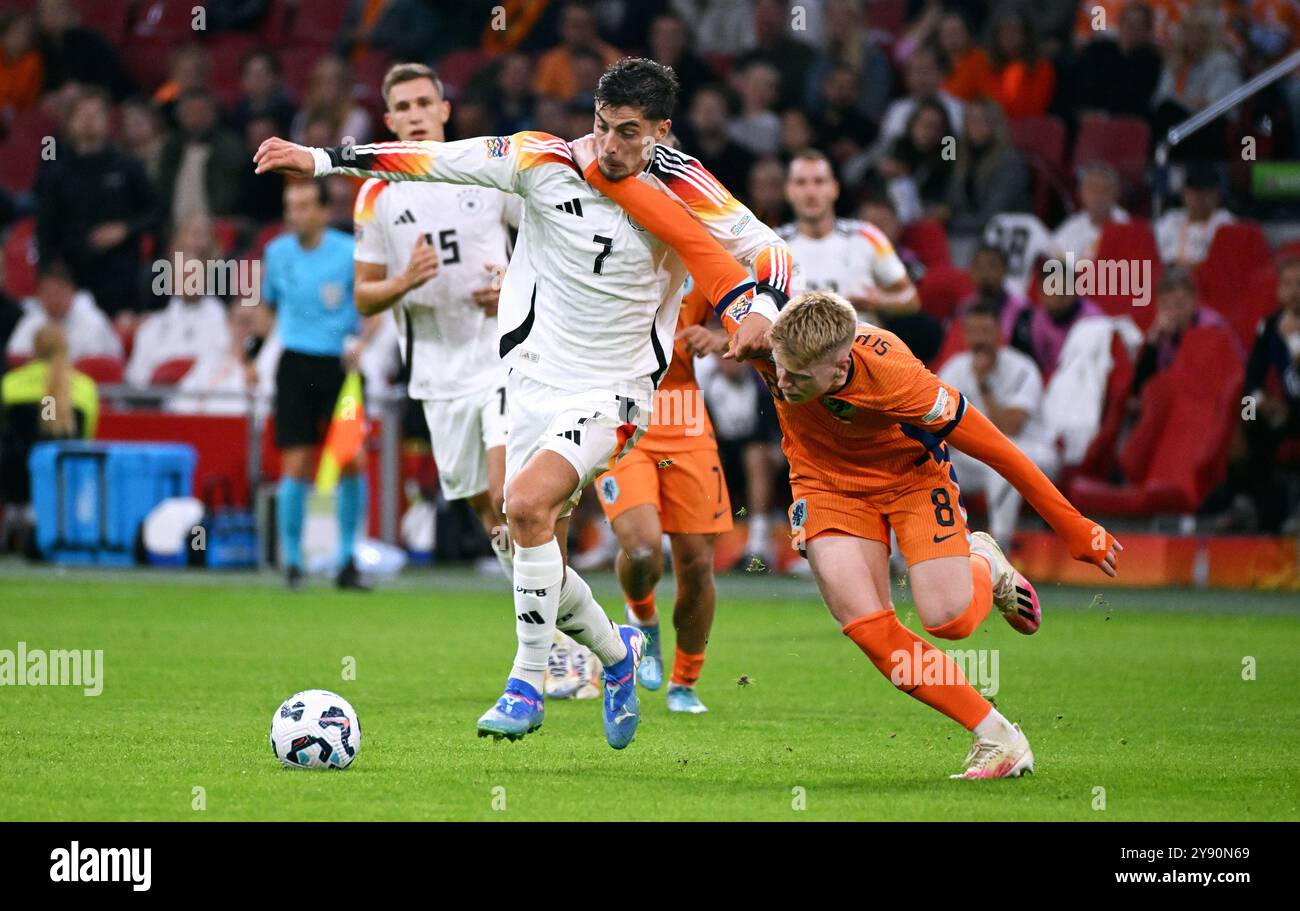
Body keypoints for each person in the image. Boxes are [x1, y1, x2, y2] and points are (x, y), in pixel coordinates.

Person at [254, 57, 795, 749]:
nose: (610, 146)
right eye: (601, 127)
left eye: (628, 133)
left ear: (662, 131)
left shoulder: (685, 183)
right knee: (522, 532)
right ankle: (616, 655)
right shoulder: (544, 159)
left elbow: (768, 249)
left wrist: (767, 307)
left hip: (616, 388)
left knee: (526, 506)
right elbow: (434, 159)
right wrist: (324, 158)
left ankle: (526, 681)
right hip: (530, 377)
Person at [580, 151, 1121, 779]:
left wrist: (1072, 524)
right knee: (868, 626)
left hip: (912, 480)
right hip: (825, 485)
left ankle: (984, 561)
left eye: (797, 379)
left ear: (840, 369)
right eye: (778, 370)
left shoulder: (898, 378)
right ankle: (998, 736)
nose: (780, 383)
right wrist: (605, 174)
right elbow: (696, 244)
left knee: (948, 620)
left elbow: (998, 448)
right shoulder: (766, 340)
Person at [351, 63, 517, 585]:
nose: (416, 114)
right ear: (389, 121)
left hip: (504, 360)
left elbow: (547, 238)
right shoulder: (376, 194)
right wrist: (403, 282)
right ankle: (563, 621)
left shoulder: (485, 172)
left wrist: (514, 286)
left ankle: (555, 642)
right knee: (490, 518)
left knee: (508, 498)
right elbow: (364, 296)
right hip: (437, 377)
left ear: (444, 110)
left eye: (425, 103)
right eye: (403, 107)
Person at [590, 281, 734, 713]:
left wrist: (723, 337)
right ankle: (643, 618)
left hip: (684, 417)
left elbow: (760, 325)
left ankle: (685, 682)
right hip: (622, 414)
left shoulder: (700, 250)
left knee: (695, 561)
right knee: (641, 549)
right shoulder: (604, 242)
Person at [261, 179, 369, 592]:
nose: (296, 214)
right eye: (291, 206)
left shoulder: (348, 253)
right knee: (296, 464)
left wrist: (363, 341)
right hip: (294, 365)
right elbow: (267, 308)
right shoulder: (276, 253)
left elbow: (370, 309)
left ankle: (345, 560)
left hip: (341, 367)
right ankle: (292, 563)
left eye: (305, 205)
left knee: (351, 459)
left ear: (324, 211)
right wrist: (252, 355)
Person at [779, 149, 940, 364]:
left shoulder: (867, 236)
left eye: (819, 182)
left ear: (834, 189)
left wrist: (880, 301)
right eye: (801, 182)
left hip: (863, 363)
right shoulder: (772, 245)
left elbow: (911, 299)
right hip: (799, 369)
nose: (810, 191)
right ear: (788, 191)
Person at [36, 87, 157, 323]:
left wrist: (124, 229)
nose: (90, 121)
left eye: (96, 114)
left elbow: (155, 211)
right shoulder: (56, 174)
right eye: (83, 115)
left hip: (121, 274)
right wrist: (47, 276)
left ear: (107, 121)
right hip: (74, 274)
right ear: (69, 123)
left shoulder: (127, 165)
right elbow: (45, 230)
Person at [939, 303, 1056, 544]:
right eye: (973, 331)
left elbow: (1010, 428)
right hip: (978, 455)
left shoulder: (1023, 368)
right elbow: (938, 426)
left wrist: (984, 385)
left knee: (1004, 461)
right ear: (964, 335)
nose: (980, 339)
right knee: (924, 464)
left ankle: (999, 548)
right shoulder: (955, 368)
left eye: (986, 331)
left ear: (999, 333)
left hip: (1033, 452)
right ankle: (906, 557)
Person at [0, 324, 98, 540]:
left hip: (15, 478)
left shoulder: (10, 384)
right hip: (66, 477)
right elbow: (87, 439)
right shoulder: (85, 387)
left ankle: (19, 517)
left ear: (34, 349)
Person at [6, 261, 122, 363]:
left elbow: (98, 367)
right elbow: (16, 357)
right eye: (47, 294)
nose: (53, 300)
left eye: (58, 293)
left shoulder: (93, 322)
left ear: (71, 292)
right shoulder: (32, 321)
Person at [1155, 164, 1234, 268]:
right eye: (1193, 192)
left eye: (1205, 193)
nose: (1198, 198)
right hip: (1168, 278)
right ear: (1184, 193)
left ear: (1216, 194)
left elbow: (1222, 264)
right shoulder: (1170, 219)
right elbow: (1154, 255)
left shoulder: (1225, 222)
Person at [1050, 163, 1129, 262]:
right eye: (1092, 189)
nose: (1098, 196)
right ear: (1081, 193)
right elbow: (1056, 262)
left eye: (1104, 190)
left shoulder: (1127, 226)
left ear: (1116, 193)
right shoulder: (1072, 227)